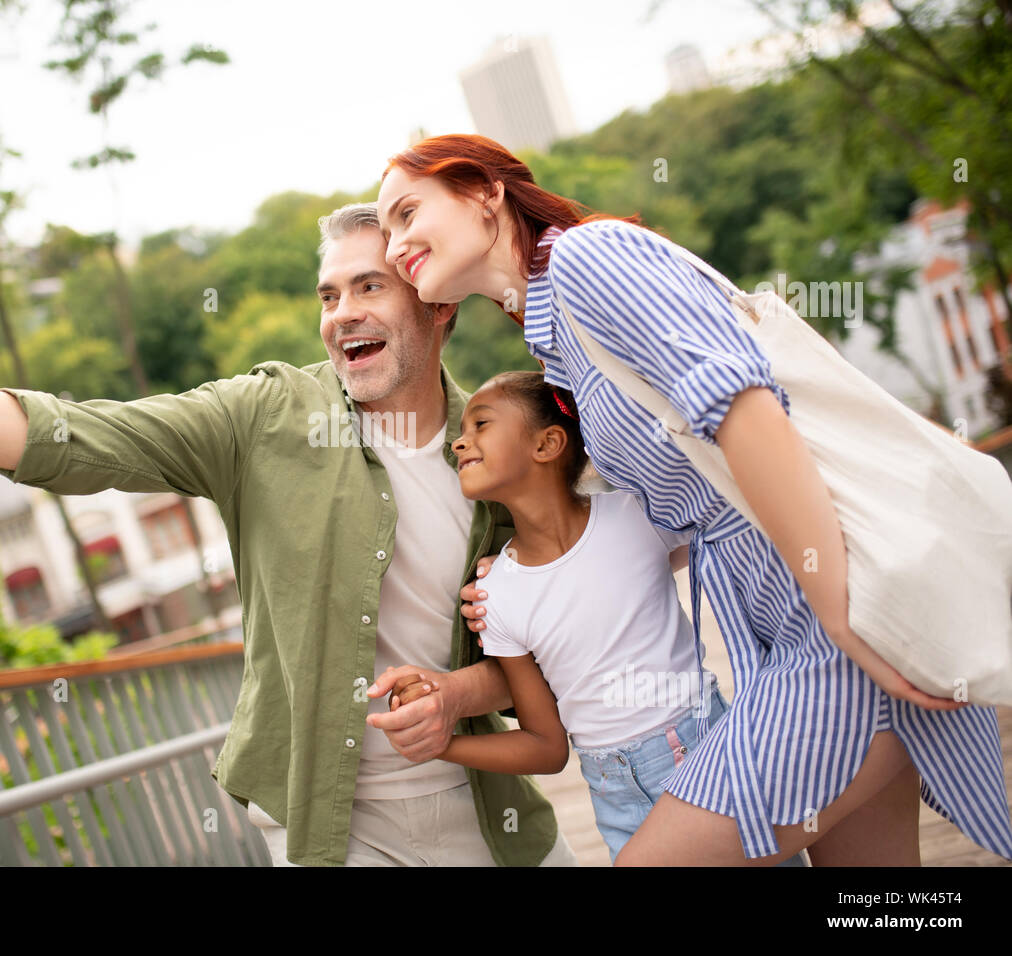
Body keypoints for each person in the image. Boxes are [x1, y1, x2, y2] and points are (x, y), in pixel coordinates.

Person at [0, 200, 578, 867]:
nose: (342, 315)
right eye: (329, 295)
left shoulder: (502, 453)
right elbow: (75, 438)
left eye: (370, 287)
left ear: (436, 304)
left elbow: (546, 648)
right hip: (331, 829)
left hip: (486, 808)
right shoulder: (265, 418)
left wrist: (461, 694)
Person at [375, 133, 1012, 866]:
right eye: (385, 230)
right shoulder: (555, 339)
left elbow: (743, 406)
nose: (394, 244)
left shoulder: (588, 260)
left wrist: (844, 612)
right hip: (785, 629)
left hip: (830, 622)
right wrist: (537, 575)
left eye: (406, 212)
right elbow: (689, 505)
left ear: (485, 193)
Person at [392, 369, 807, 865]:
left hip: (711, 751)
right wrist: (441, 746)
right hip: (618, 797)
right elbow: (547, 747)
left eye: (480, 424)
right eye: (462, 432)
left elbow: (726, 502)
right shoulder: (495, 596)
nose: (460, 443)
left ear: (547, 444)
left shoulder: (637, 515)